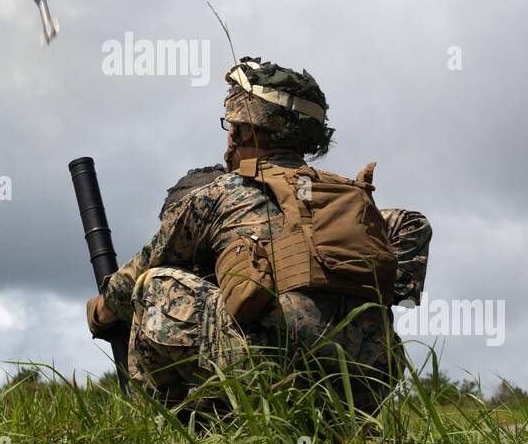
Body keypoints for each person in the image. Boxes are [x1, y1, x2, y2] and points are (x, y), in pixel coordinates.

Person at [87, 57, 431, 413]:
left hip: (273, 377)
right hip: (367, 381)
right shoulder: (355, 201)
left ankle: (171, 429)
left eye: (230, 125)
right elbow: (414, 224)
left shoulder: (219, 194)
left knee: (155, 286)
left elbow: (131, 281)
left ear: (244, 128)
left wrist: (98, 314)